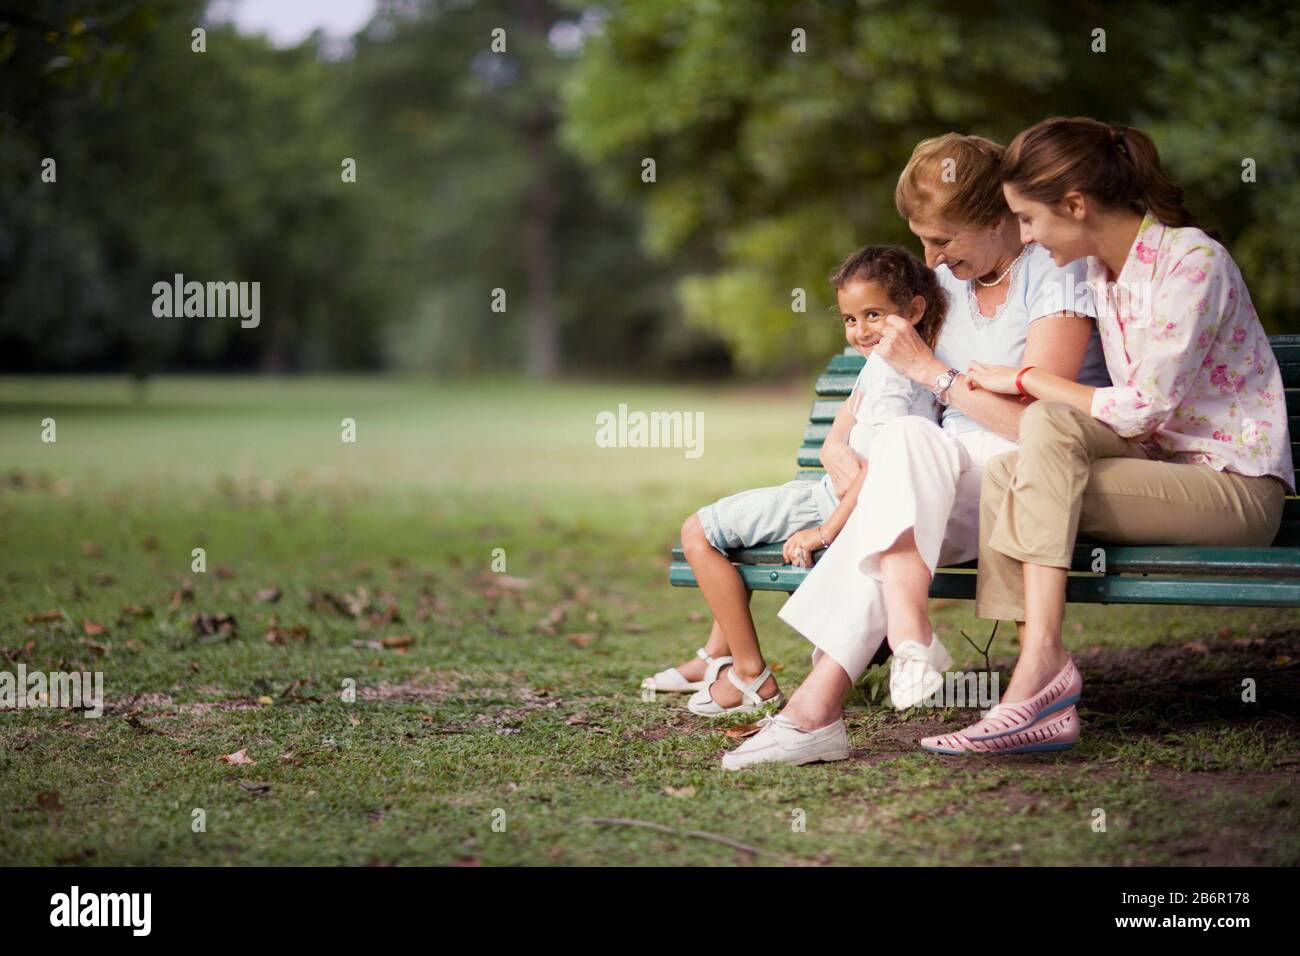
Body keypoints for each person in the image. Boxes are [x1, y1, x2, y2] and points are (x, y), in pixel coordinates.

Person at [722, 132, 1111, 770]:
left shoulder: (1056, 273)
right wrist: (838, 439)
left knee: (891, 491)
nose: (927, 257)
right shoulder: (945, 284)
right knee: (904, 441)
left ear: (998, 219)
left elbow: (1039, 429)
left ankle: (815, 711)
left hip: (1029, 484)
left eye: (943, 239)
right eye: (922, 238)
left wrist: (934, 372)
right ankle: (896, 649)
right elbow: (881, 381)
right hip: (939, 485)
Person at [922, 117, 1294, 755]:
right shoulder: (1103, 274)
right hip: (1158, 468)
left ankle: (1038, 678)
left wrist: (1027, 376)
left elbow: (1145, 407)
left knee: (1025, 467)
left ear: (1075, 205)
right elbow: (1119, 418)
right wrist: (1038, 393)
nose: (1028, 237)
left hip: (1232, 489)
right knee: (1026, 453)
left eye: (1031, 220)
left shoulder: (1192, 260)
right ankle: (1041, 666)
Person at [644, 246, 946, 717]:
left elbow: (880, 472)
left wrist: (824, 533)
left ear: (913, 310)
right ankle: (716, 657)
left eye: (873, 314)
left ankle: (749, 674)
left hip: (828, 507)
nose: (860, 330)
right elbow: (847, 434)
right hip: (831, 498)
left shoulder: (894, 379)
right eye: (850, 318)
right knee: (729, 535)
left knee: (697, 532)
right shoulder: (893, 363)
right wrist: (833, 448)